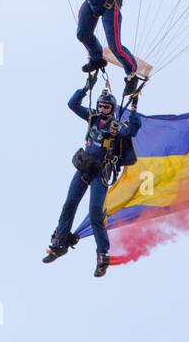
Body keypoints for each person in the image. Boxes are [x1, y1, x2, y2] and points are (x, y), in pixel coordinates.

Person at [44, 75, 142, 277]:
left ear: (112, 109)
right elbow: (72, 104)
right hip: (84, 168)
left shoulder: (116, 127)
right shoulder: (92, 117)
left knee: (96, 213)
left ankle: (102, 255)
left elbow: (132, 130)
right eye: (100, 105)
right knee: (69, 204)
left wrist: (133, 109)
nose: (102, 109)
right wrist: (86, 87)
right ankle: (60, 242)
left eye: (106, 107)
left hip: (101, 172)